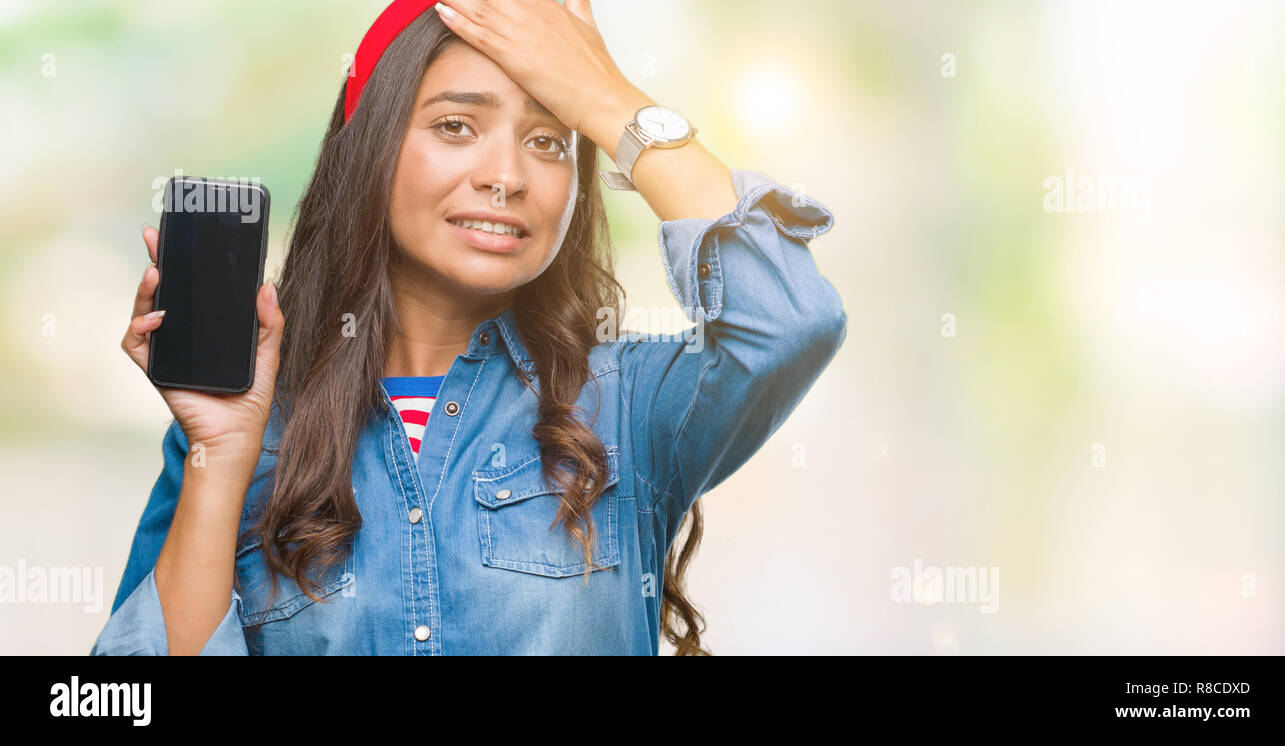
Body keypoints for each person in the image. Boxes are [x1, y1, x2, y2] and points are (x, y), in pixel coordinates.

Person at [95, 0, 845, 655]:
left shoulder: (628, 408)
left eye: (550, 140)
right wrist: (222, 454)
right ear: (373, 148)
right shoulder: (243, 428)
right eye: (456, 126)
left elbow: (787, 319)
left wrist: (608, 100)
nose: (507, 175)